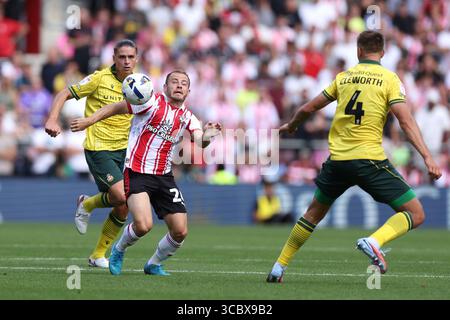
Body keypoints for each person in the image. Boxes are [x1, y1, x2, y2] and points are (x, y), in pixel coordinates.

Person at [267, 30, 442, 282]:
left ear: (358, 51)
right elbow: (405, 121)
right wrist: (427, 156)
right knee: (416, 214)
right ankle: (374, 241)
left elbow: (308, 108)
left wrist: (292, 125)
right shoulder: (389, 79)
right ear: (382, 52)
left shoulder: (344, 78)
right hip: (369, 160)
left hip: (337, 161)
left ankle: (278, 267)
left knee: (312, 214)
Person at [70, 70, 222, 276]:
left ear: (189, 90)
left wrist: (209, 136)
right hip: (137, 173)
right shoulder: (151, 102)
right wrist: (89, 121)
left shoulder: (188, 117)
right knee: (143, 225)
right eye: (174, 82)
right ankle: (118, 249)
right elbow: (117, 107)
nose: (179, 85)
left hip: (164, 177)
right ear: (165, 88)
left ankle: (153, 264)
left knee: (180, 231)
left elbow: (200, 140)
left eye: (184, 83)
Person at [44, 39, 139, 268]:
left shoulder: (139, 84)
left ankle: (98, 255)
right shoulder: (99, 78)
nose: (126, 61)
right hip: (99, 147)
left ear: (136, 59)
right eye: (121, 57)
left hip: (126, 150)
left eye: (130, 57)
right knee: (121, 196)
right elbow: (64, 93)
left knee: (123, 206)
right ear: (114, 58)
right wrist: (52, 118)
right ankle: (86, 204)